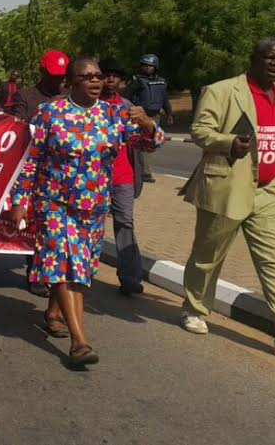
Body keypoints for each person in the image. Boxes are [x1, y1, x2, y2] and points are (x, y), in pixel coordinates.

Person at [179, 39, 275, 358]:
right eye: (269, 57)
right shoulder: (222, 91)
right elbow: (200, 130)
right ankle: (194, 309)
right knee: (208, 255)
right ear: (253, 58)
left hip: (267, 190)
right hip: (228, 186)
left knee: (274, 260)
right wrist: (228, 142)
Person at [10, 57, 162, 367]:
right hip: (54, 203)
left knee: (79, 267)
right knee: (65, 264)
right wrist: (20, 201)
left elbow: (149, 144)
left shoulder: (113, 114)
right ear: (71, 82)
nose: (95, 81)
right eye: (87, 76)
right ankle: (79, 342)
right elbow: (31, 159)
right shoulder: (50, 113)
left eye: (98, 76)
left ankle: (53, 312)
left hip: (92, 206)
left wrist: (148, 124)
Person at [10, 50, 68, 299]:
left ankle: (43, 271)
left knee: (51, 228)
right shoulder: (26, 96)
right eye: (54, 75)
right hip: (32, 168)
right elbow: (16, 124)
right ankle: (35, 270)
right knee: (35, 223)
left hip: (60, 175)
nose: (58, 80)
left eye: (62, 76)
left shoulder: (70, 98)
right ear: (42, 72)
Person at [100, 59, 147, 295]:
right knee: (91, 224)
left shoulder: (128, 107)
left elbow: (141, 141)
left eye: (115, 75)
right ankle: (81, 275)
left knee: (125, 222)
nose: (110, 79)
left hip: (123, 176)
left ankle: (130, 278)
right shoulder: (90, 105)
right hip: (94, 177)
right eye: (105, 75)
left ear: (121, 80)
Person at [128, 54, 173, 183]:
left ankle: (144, 171)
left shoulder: (161, 81)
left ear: (155, 67)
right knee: (137, 144)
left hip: (154, 117)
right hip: (139, 117)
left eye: (150, 66)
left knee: (150, 145)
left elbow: (164, 99)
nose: (147, 68)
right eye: (145, 65)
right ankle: (144, 172)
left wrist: (169, 114)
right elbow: (128, 97)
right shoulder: (136, 81)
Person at [9, 52, 66, 123]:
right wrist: (46, 107)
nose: (62, 79)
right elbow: (16, 126)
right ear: (42, 72)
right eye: (57, 75)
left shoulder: (72, 97)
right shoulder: (24, 97)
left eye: (65, 75)